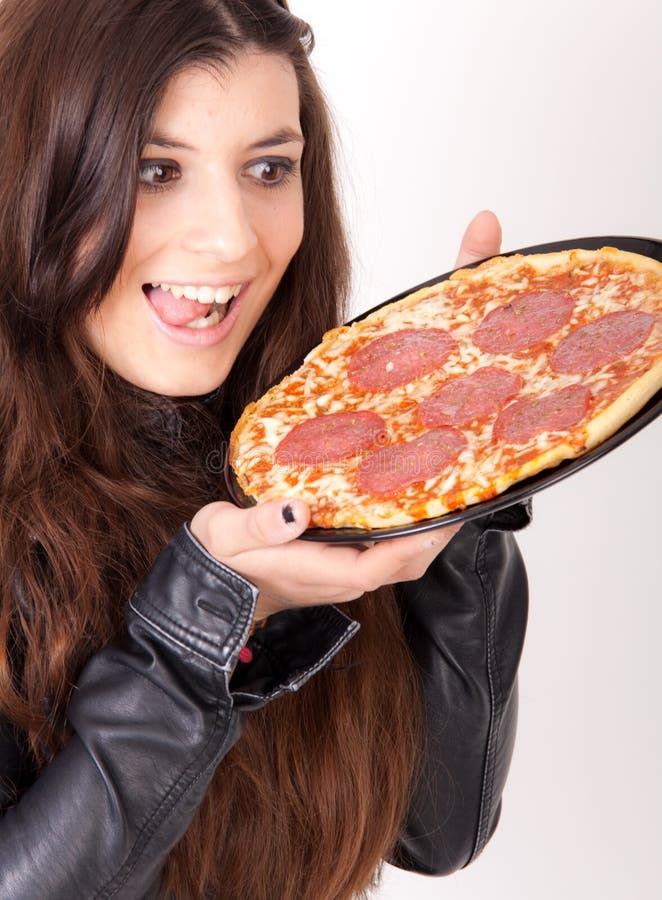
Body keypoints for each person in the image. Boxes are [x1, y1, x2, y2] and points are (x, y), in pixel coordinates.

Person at [0, 1, 530, 898]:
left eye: (269, 167)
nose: (234, 239)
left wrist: (455, 470)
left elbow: (436, 828)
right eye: (155, 168)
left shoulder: (290, 448)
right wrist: (201, 629)